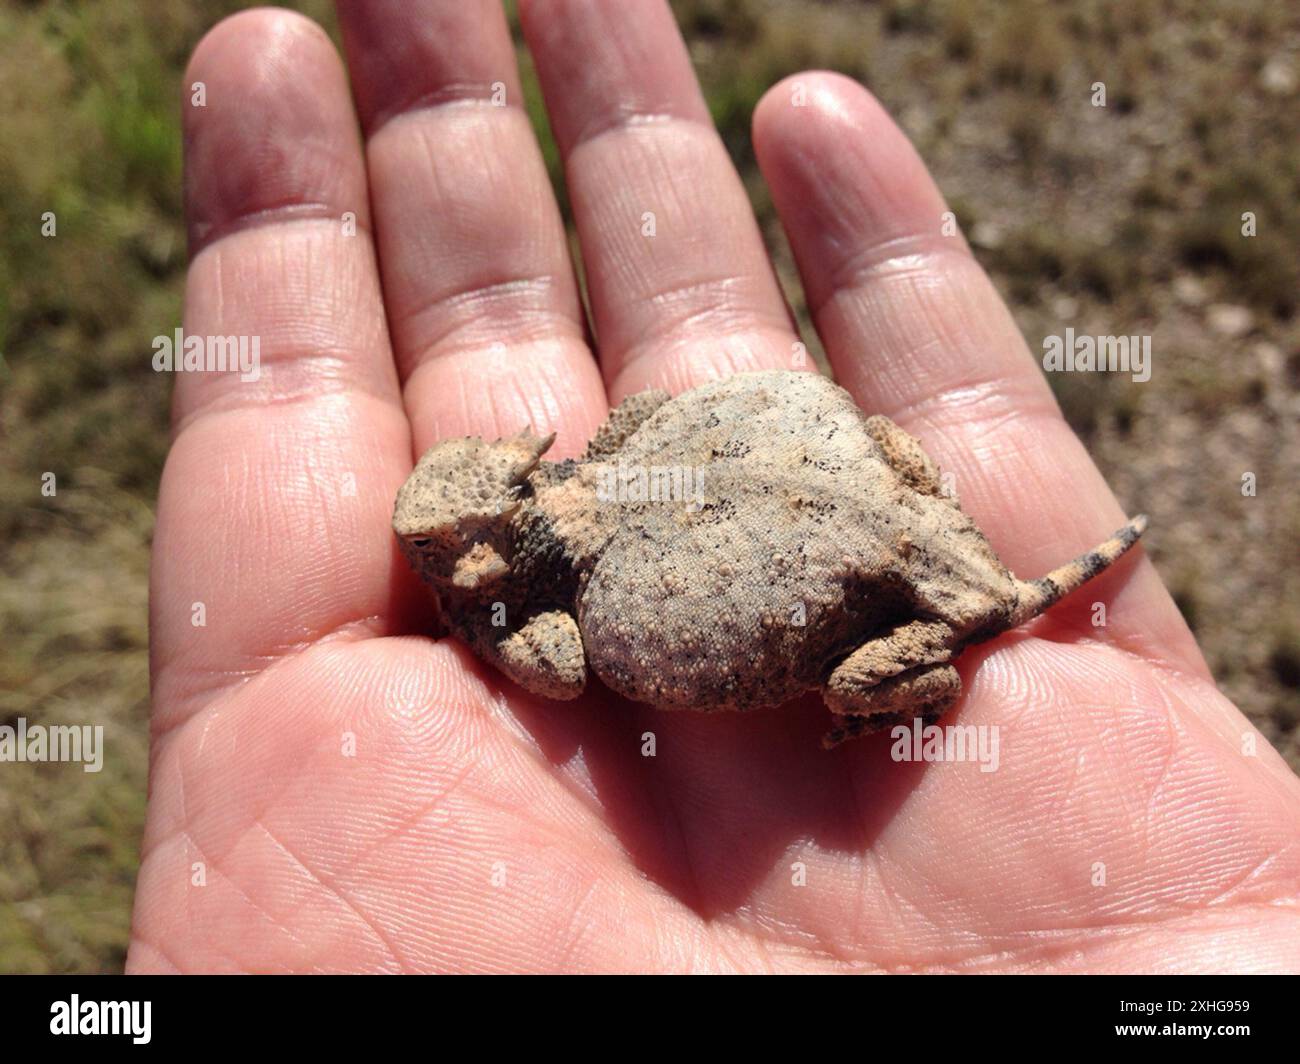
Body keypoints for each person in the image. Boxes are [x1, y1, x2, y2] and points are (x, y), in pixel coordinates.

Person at [128, 0, 1300, 973]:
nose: (434, 560)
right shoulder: (597, 488)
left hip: (883, 596)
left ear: (507, 511)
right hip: (868, 491)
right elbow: (620, 488)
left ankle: (927, 670)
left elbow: (558, 662)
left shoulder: (549, 600)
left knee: (860, 675)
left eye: (448, 544)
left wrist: (470, 619)